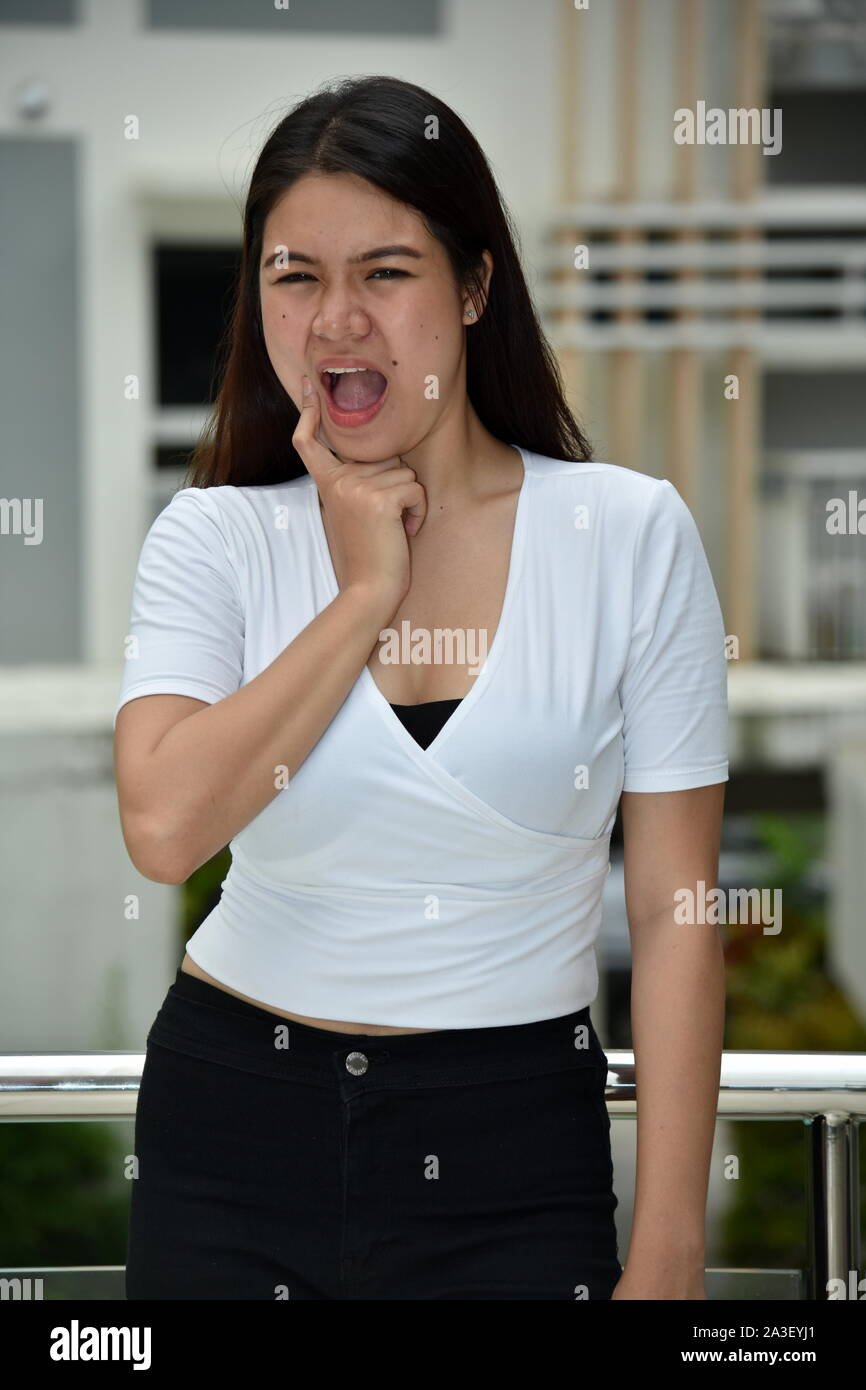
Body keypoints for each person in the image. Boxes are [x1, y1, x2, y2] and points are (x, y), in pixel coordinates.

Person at [114, 75, 728, 1301]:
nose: (336, 319)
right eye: (294, 276)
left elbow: (673, 916)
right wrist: (358, 596)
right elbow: (166, 829)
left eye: (385, 271)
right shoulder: (213, 538)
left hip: (512, 1140)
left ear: (474, 284)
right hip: (234, 1121)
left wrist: (667, 1249)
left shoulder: (627, 533)